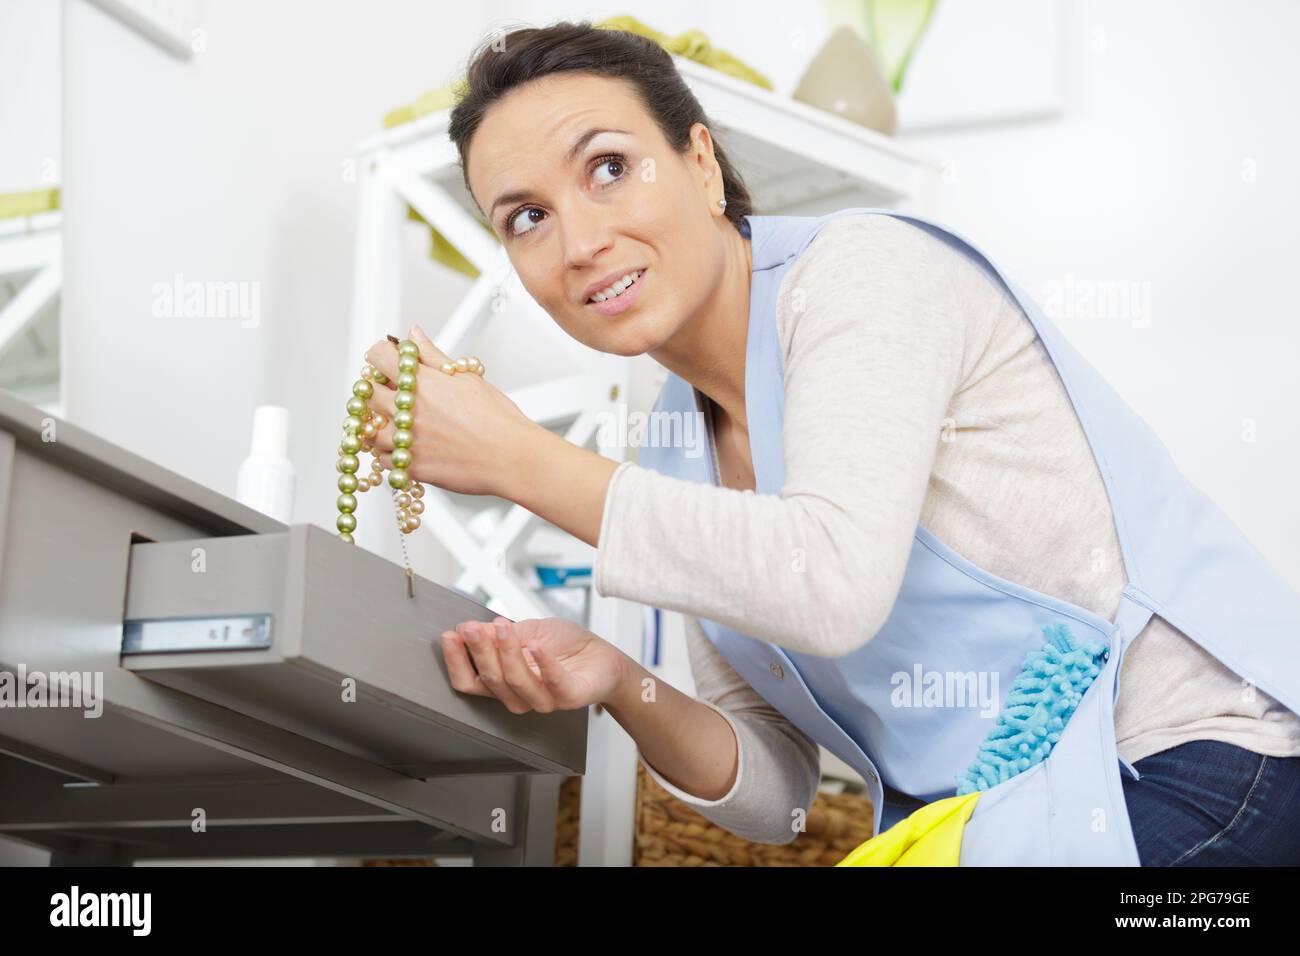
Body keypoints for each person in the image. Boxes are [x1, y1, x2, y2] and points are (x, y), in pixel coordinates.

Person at [363, 21, 1300, 865]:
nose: (579, 241)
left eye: (608, 167)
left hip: (1193, 767)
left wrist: (522, 462)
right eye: (526, 217)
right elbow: (776, 787)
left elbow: (833, 584)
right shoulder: (673, 443)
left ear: (699, 162)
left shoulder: (865, 276)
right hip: (1004, 832)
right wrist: (616, 681)